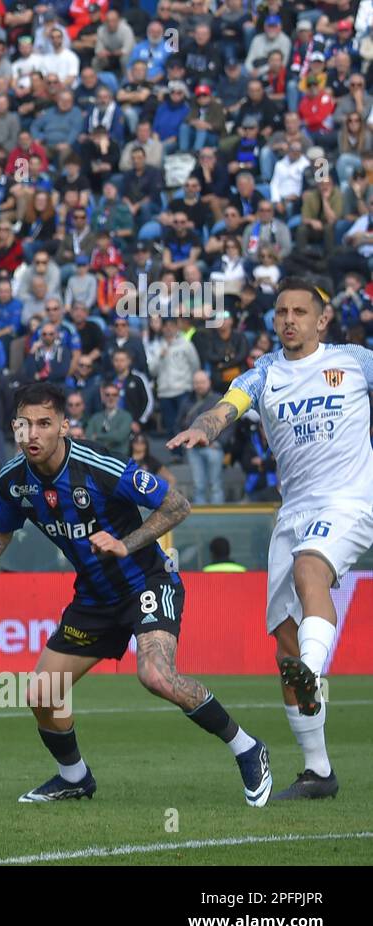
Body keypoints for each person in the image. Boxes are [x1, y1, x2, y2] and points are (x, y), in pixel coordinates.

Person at [0, 382, 270, 806]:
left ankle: (248, 747)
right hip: (94, 597)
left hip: (146, 581)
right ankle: (74, 778)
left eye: (44, 424)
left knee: (156, 675)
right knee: (40, 695)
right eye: (23, 425)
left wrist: (129, 542)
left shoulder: (98, 465)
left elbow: (178, 505)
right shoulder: (14, 480)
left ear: (64, 427)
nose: (32, 434)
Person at [169, 278, 373, 800]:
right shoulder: (263, 373)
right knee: (284, 641)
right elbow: (227, 407)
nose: (289, 320)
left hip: (349, 502)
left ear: (322, 319)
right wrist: (205, 427)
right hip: (293, 511)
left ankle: (312, 669)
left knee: (311, 570)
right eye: (281, 311)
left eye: (301, 312)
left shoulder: (354, 361)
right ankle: (318, 772)